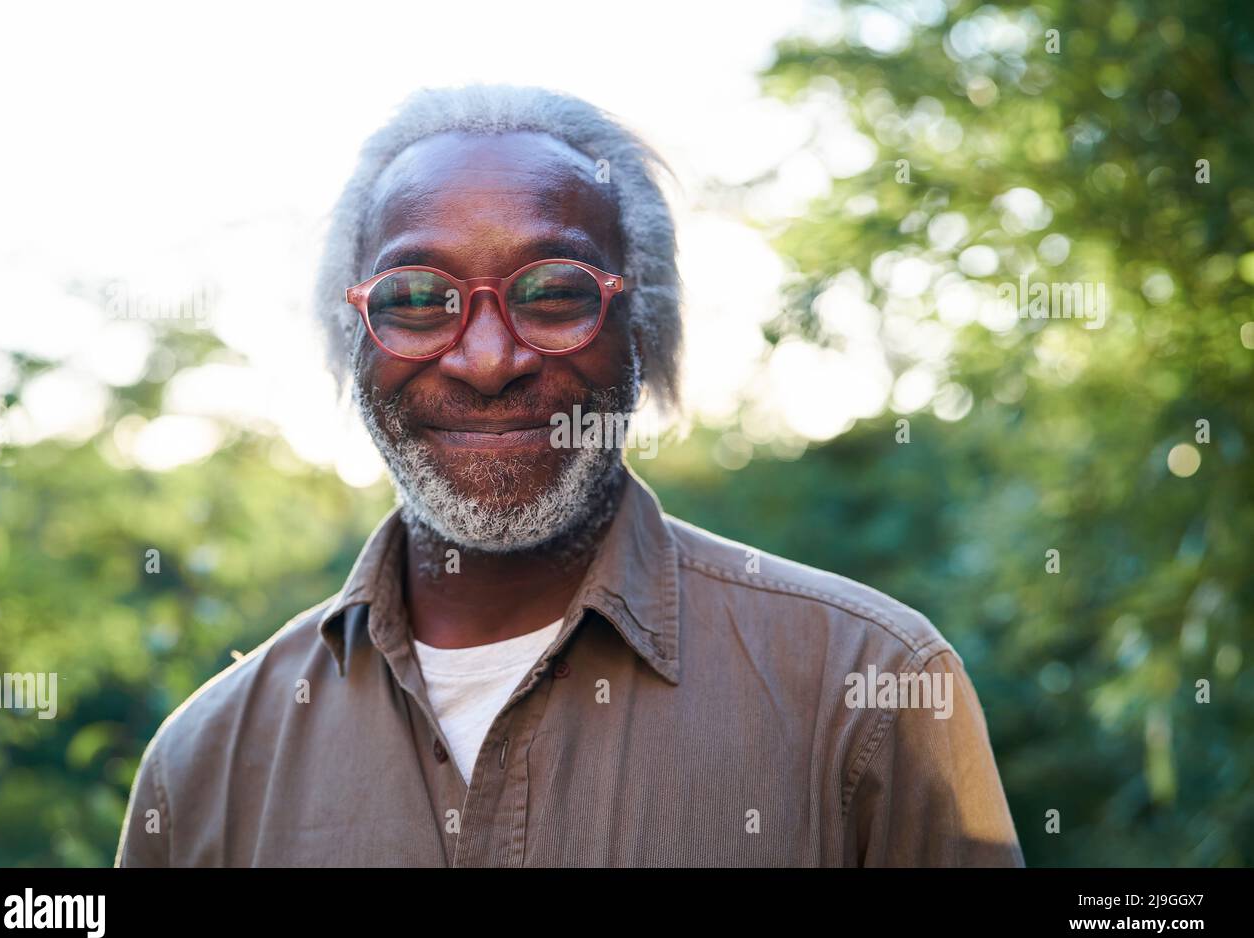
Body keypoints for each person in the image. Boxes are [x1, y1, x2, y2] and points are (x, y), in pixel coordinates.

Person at [116, 85, 1023, 866]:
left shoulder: (870, 687)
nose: (484, 359)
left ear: (645, 324)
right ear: (351, 334)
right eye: (416, 300)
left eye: (554, 293)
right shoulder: (202, 764)